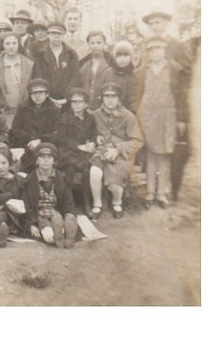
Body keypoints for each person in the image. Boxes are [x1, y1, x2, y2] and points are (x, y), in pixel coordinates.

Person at [135, 36, 188, 209]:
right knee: (151, 154)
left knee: (164, 155)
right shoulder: (142, 71)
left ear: (165, 49)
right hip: (148, 116)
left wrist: (181, 118)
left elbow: (181, 96)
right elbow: (138, 96)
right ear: (147, 52)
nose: (155, 52)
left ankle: (161, 193)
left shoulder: (174, 69)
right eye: (151, 49)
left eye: (159, 48)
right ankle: (150, 192)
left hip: (168, 116)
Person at [88, 83, 144, 219]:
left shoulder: (128, 116)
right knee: (95, 172)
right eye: (106, 96)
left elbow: (137, 141)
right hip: (101, 151)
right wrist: (95, 137)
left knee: (116, 177)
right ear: (101, 98)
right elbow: (87, 131)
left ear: (119, 99)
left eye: (113, 96)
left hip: (121, 154)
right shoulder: (95, 115)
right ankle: (97, 205)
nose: (110, 100)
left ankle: (117, 203)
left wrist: (118, 149)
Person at [23, 143, 78, 248]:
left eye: (49, 157)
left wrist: (69, 214)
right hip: (39, 216)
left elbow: (68, 201)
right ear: (36, 161)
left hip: (56, 213)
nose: (46, 160)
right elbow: (27, 206)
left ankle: (66, 231)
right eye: (42, 157)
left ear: (54, 161)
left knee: (63, 223)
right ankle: (59, 236)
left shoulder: (61, 178)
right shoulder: (30, 180)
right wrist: (31, 224)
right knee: (49, 236)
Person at [56, 88, 97, 214]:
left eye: (79, 102)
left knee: (86, 170)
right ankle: (66, 204)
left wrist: (92, 142)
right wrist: (78, 146)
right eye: (73, 102)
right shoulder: (65, 118)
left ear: (86, 104)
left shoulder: (90, 118)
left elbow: (93, 134)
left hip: (85, 153)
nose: (76, 105)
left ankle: (86, 203)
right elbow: (61, 139)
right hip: (67, 151)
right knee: (70, 170)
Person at [10, 78, 60, 173]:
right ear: (30, 95)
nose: (37, 96)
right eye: (34, 93)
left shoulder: (54, 110)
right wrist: (31, 140)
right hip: (27, 145)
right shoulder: (23, 108)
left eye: (41, 93)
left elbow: (57, 132)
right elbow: (16, 129)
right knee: (22, 171)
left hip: (47, 145)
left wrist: (40, 140)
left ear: (47, 94)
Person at [0, 31, 36, 118]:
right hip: (1, 111)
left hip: (24, 112)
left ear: (19, 45)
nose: (11, 46)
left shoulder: (28, 64)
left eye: (14, 43)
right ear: (3, 45)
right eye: (7, 43)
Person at [33, 21, 82, 108]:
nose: (56, 36)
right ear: (48, 35)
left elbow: (75, 77)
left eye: (59, 33)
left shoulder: (71, 54)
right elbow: (38, 77)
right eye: (53, 33)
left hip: (66, 101)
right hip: (46, 101)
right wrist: (48, 98)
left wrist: (66, 98)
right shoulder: (39, 55)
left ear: (63, 36)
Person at [79, 30, 115, 109]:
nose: (95, 46)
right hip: (85, 106)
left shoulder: (111, 64)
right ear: (88, 44)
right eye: (92, 43)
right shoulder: (83, 64)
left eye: (99, 43)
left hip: (104, 106)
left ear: (104, 43)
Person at [97, 40, 137, 111]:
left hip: (127, 115)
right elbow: (100, 94)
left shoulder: (134, 75)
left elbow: (134, 99)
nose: (122, 59)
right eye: (119, 55)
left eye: (125, 55)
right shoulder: (107, 73)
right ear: (115, 57)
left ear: (131, 57)